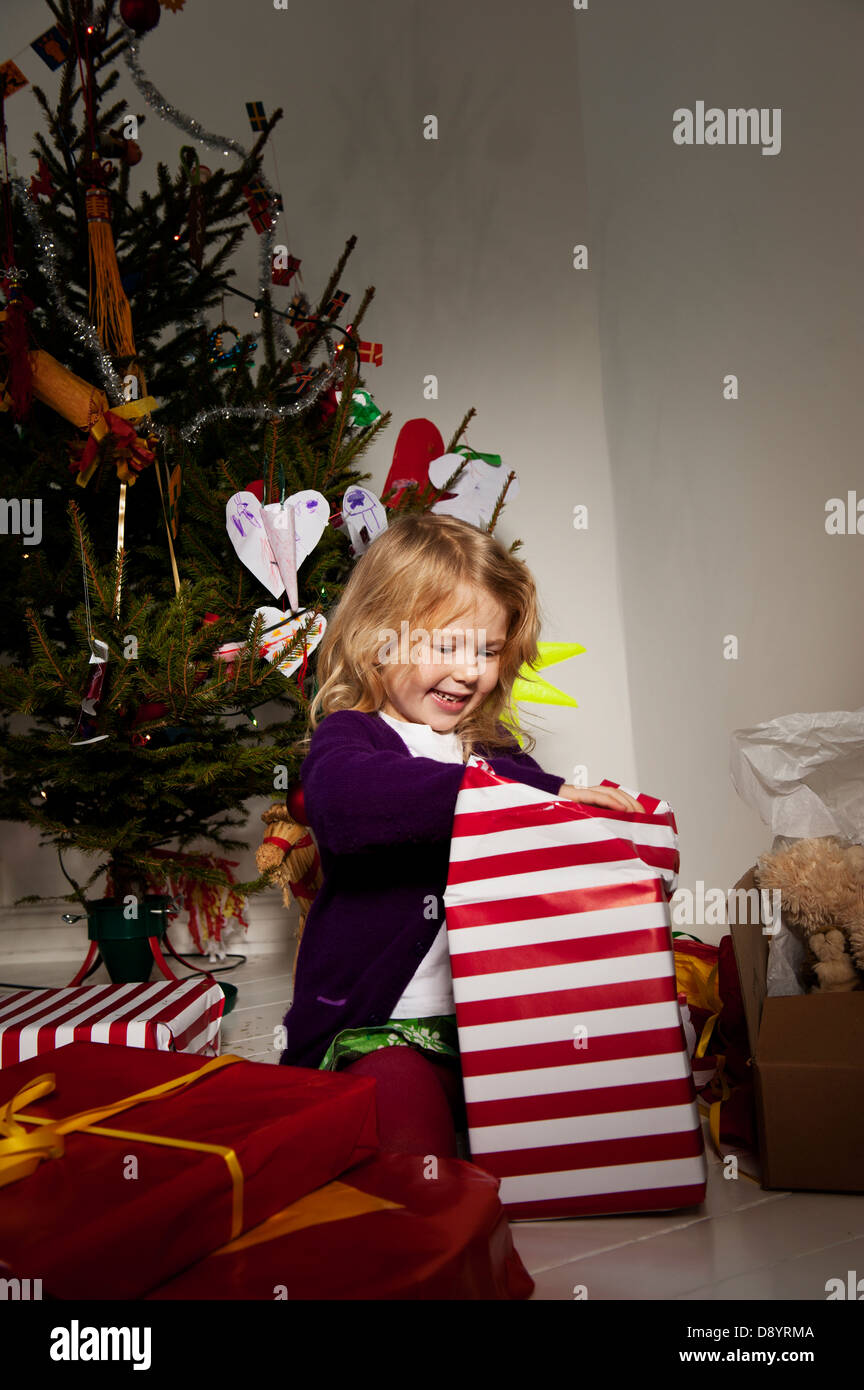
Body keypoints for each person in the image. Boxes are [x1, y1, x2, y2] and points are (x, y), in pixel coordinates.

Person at [279, 512, 641, 1158]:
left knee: (591, 1110)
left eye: (488, 649)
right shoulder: (351, 737)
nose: (471, 672)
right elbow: (346, 806)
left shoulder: (492, 755)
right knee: (411, 1155)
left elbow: (548, 833)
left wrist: (598, 827)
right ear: (377, 640)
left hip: (487, 1034)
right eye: (447, 646)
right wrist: (495, 796)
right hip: (380, 1034)